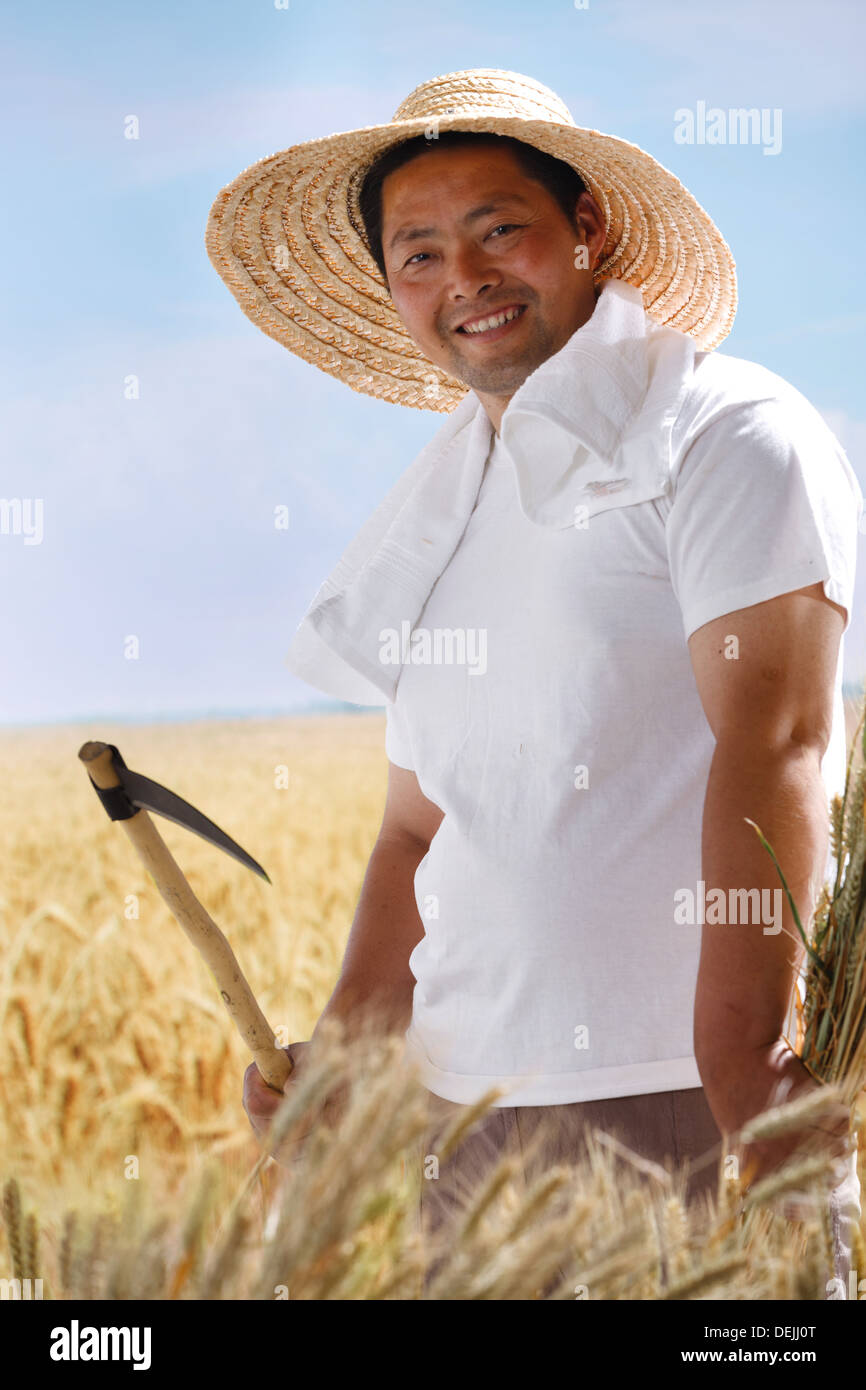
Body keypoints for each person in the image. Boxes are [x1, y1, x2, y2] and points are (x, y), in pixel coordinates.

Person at [207, 69, 863, 1293]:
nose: (462, 277)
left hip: (669, 1096)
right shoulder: (437, 515)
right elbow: (417, 828)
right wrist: (344, 1069)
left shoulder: (718, 432)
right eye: (418, 253)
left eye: (498, 227)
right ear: (391, 288)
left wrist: (742, 1074)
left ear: (588, 228)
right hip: (461, 1120)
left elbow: (769, 739)